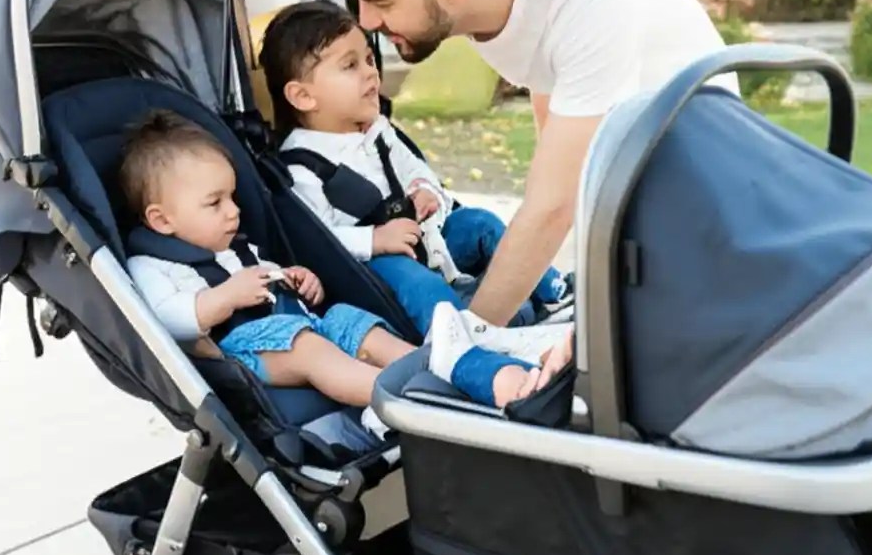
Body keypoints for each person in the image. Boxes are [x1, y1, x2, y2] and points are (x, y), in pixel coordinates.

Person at [303, 0, 738, 326]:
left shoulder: (593, 3)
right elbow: (548, 105)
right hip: (624, 172)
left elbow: (555, 206)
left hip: (696, 185)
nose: (366, 22)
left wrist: (467, 343)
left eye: (381, 3)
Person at [118, 109, 572, 423]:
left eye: (233, 197)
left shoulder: (232, 244)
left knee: (356, 325)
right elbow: (168, 320)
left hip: (296, 325)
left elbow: (269, 279)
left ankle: (460, 370)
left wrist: (294, 280)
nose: (233, 211)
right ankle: (403, 402)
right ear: (162, 219)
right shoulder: (151, 264)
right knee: (311, 351)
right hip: (239, 349)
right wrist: (224, 297)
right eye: (214, 203)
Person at [259, 0, 573, 338]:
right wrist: (375, 239)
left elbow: (414, 170)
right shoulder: (302, 166)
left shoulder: (378, 130)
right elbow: (317, 240)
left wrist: (424, 189)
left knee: (480, 224)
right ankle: (460, 339)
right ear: (303, 97)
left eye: (368, 58)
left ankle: (554, 294)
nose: (370, 71)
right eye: (350, 66)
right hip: (378, 267)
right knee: (419, 284)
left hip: (427, 239)